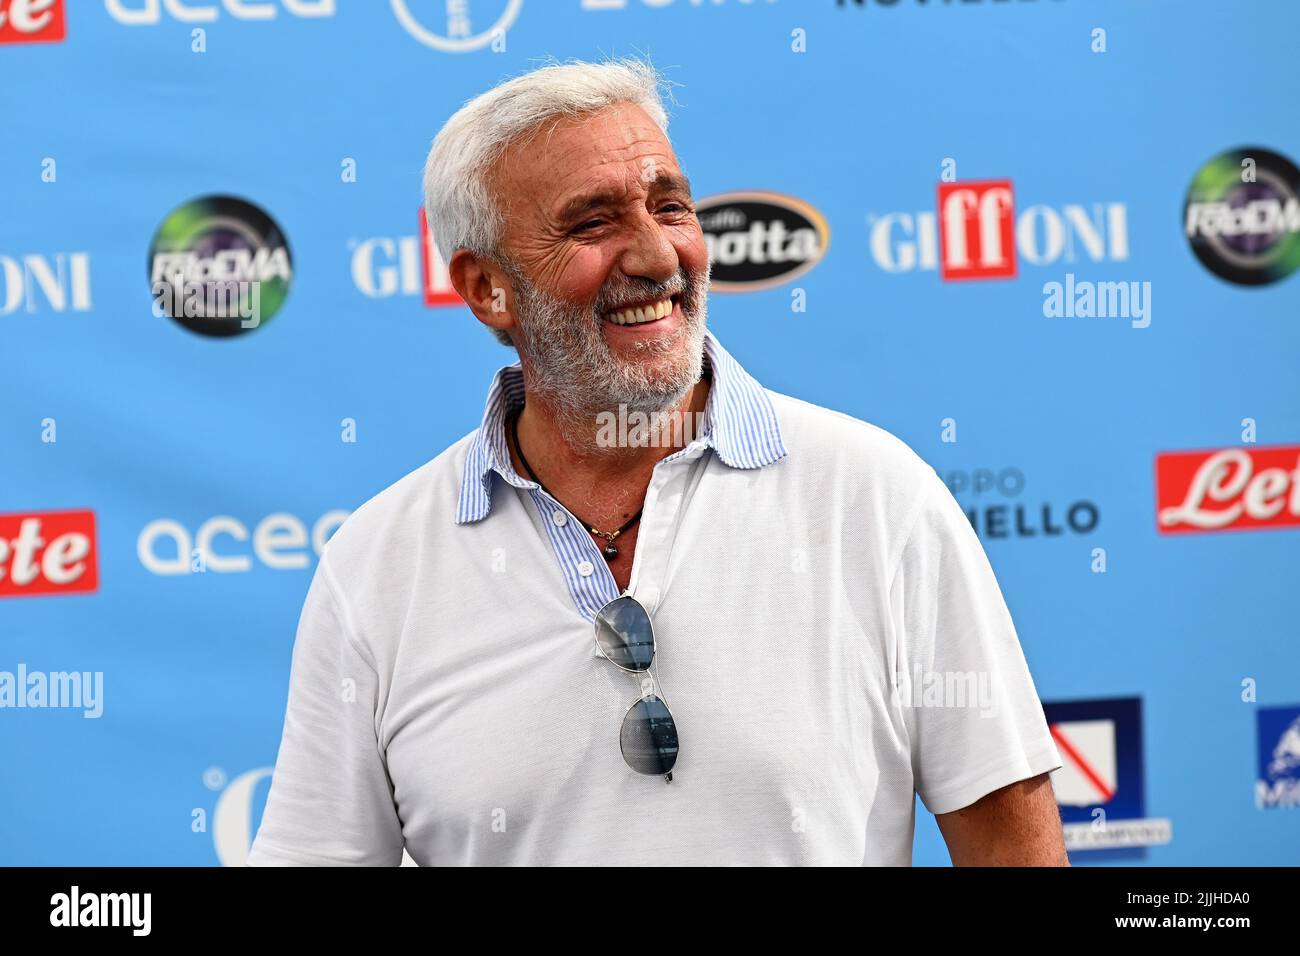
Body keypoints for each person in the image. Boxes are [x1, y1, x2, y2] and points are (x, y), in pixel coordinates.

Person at [247, 57, 1067, 867]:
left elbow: (1014, 851)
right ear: (487, 287)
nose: (657, 256)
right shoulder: (377, 568)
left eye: (670, 207)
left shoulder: (878, 499)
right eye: (592, 224)